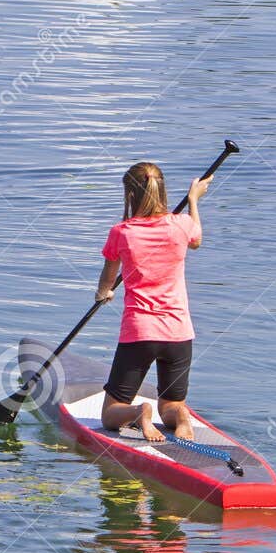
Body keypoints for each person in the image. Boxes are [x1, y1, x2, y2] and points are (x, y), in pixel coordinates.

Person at [93, 161, 210, 442]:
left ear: (130, 196)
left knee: (109, 414)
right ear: (162, 192)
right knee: (170, 404)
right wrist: (193, 199)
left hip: (140, 333)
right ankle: (181, 416)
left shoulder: (121, 232)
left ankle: (137, 412)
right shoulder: (182, 225)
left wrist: (103, 294)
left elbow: (107, 278)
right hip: (179, 334)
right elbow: (196, 240)